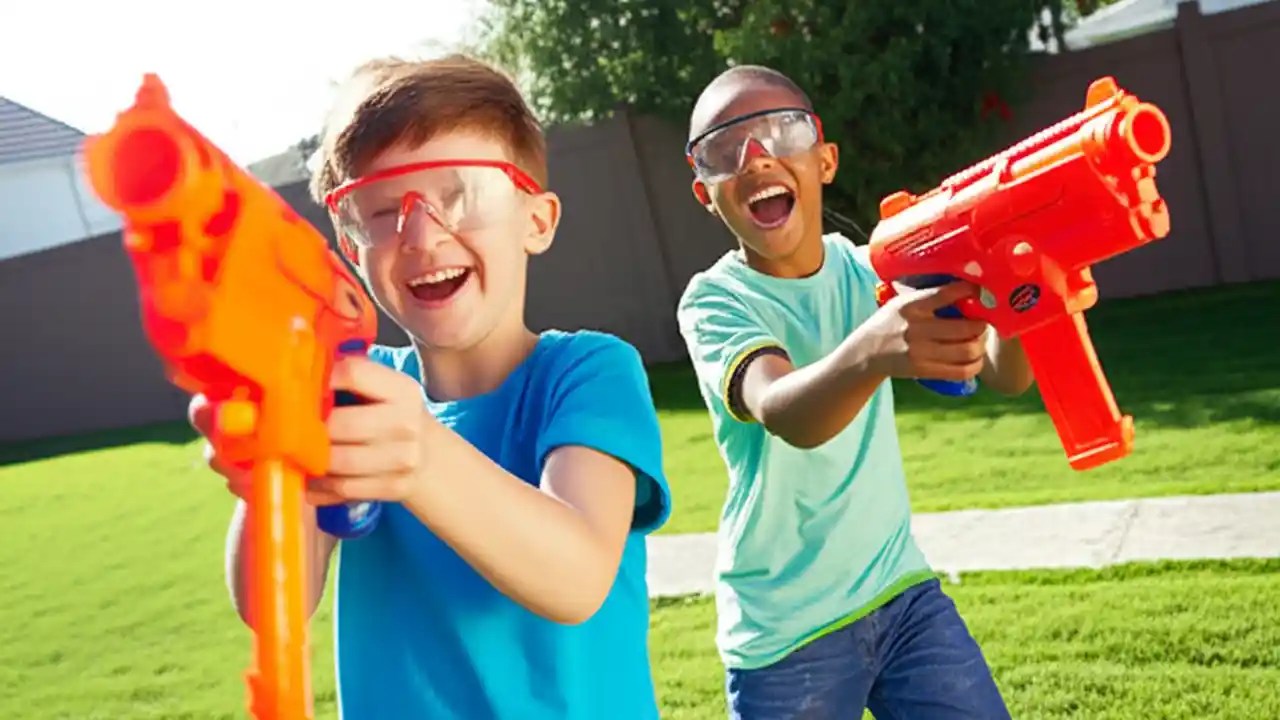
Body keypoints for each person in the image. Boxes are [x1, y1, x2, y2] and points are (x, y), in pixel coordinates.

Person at [189, 53, 672, 719]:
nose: (419, 233)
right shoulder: (353, 391)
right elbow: (273, 605)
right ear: (351, 245)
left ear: (536, 219)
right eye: (380, 211)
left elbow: (578, 576)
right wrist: (274, 473)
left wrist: (415, 452)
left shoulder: (587, 371)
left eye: (461, 194)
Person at [675, 64, 1035, 719]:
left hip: (901, 594)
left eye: (781, 132)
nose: (756, 159)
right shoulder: (715, 301)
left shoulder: (874, 267)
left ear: (825, 160)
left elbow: (1004, 375)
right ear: (706, 192)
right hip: (787, 629)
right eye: (725, 151)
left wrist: (1024, 294)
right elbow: (783, 410)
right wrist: (872, 349)